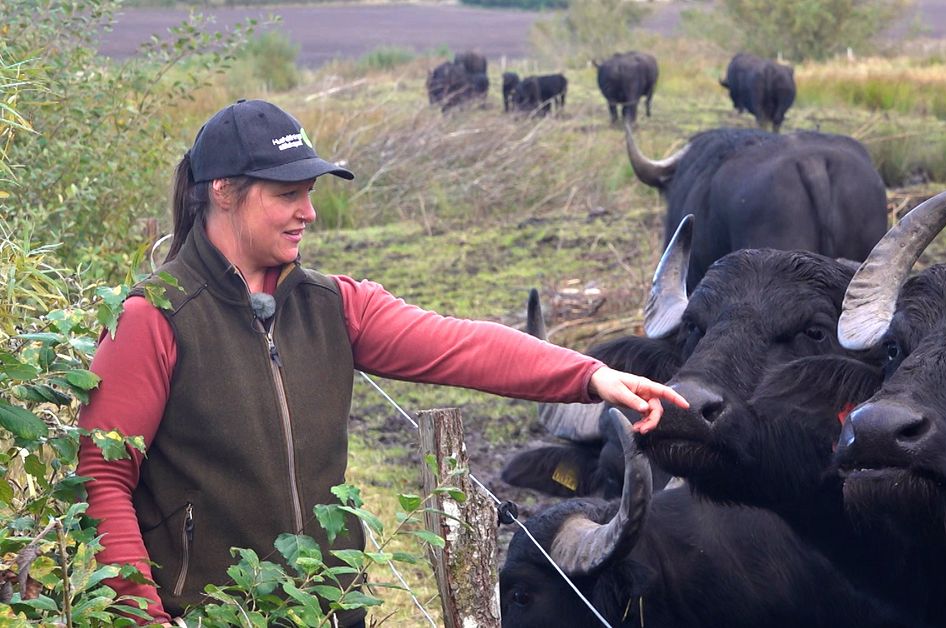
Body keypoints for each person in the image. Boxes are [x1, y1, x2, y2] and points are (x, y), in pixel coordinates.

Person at [77, 99, 688, 626]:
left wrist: (589, 377)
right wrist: (142, 613)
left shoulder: (332, 306)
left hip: (330, 611)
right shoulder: (154, 318)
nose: (308, 212)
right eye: (287, 194)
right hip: (211, 613)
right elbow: (103, 479)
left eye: (310, 193)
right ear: (223, 192)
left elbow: (460, 343)